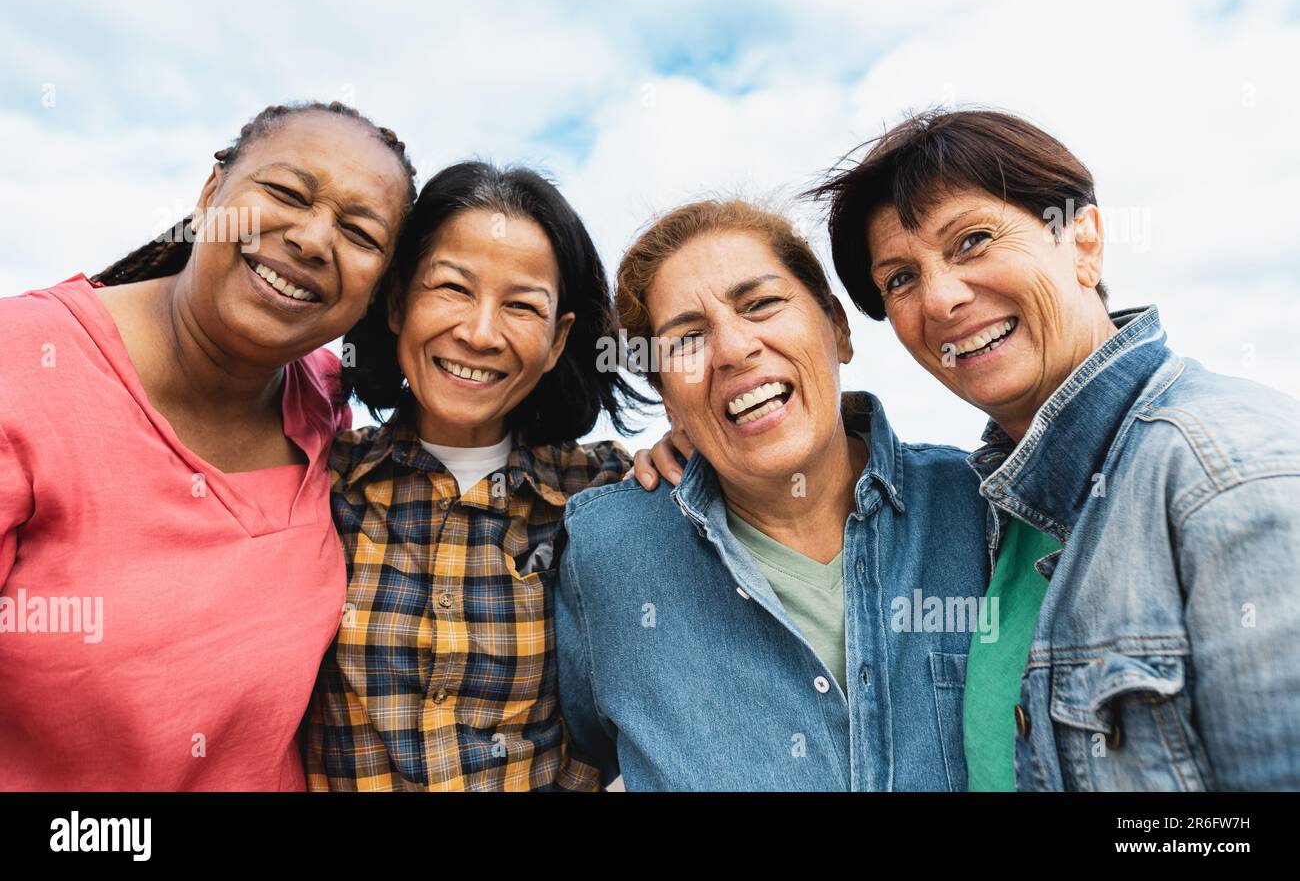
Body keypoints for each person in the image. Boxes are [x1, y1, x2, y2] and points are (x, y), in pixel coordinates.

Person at [809, 108, 1300, 790]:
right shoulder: (984, 512)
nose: (942, 298)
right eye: (900, 278)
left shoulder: (1227, 474)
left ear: (1084, 243)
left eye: (973, 240)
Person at [0, 101, 417, 790]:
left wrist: (654, 463)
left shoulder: (326, 406)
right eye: (285, 193)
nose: (313, 239)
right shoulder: (24, 363)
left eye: (360, 232)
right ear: (209, 194)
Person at [556, 200, 988, 791]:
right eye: (687, 338)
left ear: (838, 327)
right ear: (667, 397)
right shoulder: (608, 554)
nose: (734, 350)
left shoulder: (981, 509)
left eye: (760, 304)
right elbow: (563, 765)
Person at [307, 162, 648, 791]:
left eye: (521, 306)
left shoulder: (612, 497)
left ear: (555, 340)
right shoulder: (314, 480)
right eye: (453, 288)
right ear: (398, 300)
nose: (479, 333)